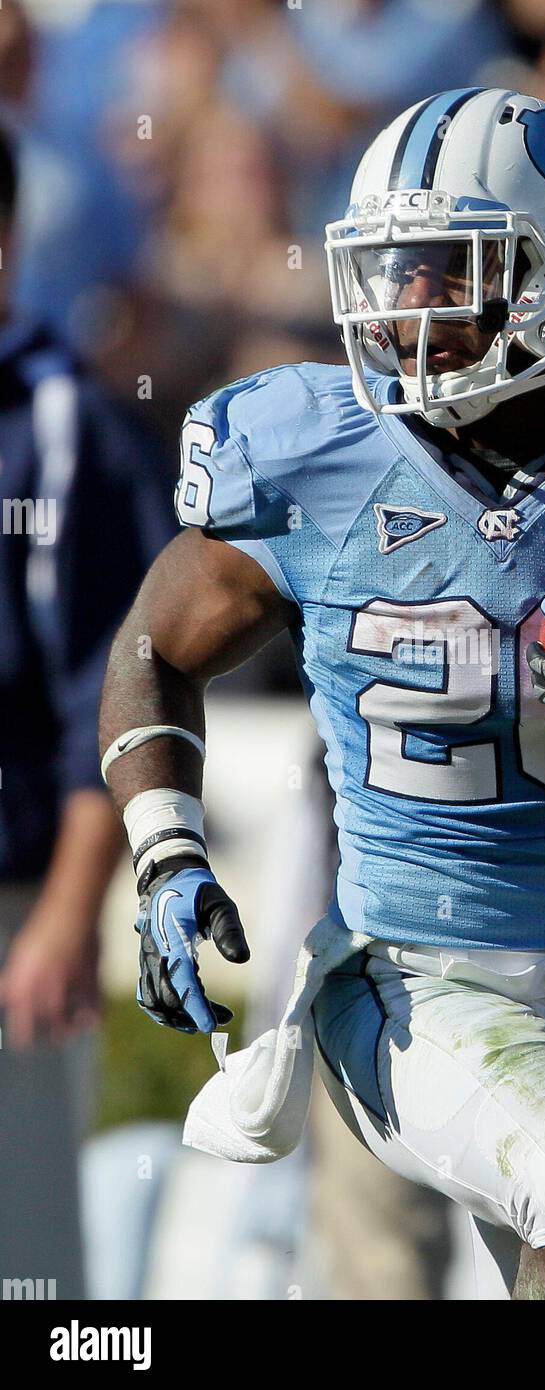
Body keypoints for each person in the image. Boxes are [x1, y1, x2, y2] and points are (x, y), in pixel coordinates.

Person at [98, 88, 545, 1301]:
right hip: (409, 975)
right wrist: (166, 852)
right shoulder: (304, 452)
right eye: (389, 271)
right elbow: (153, 645)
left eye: (448, 272)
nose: (405, 309)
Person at [0, 125, 173, 1298]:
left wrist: (65, 913)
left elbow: (119, 695)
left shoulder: (70, 432)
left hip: (12, 902)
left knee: (25, 1252)